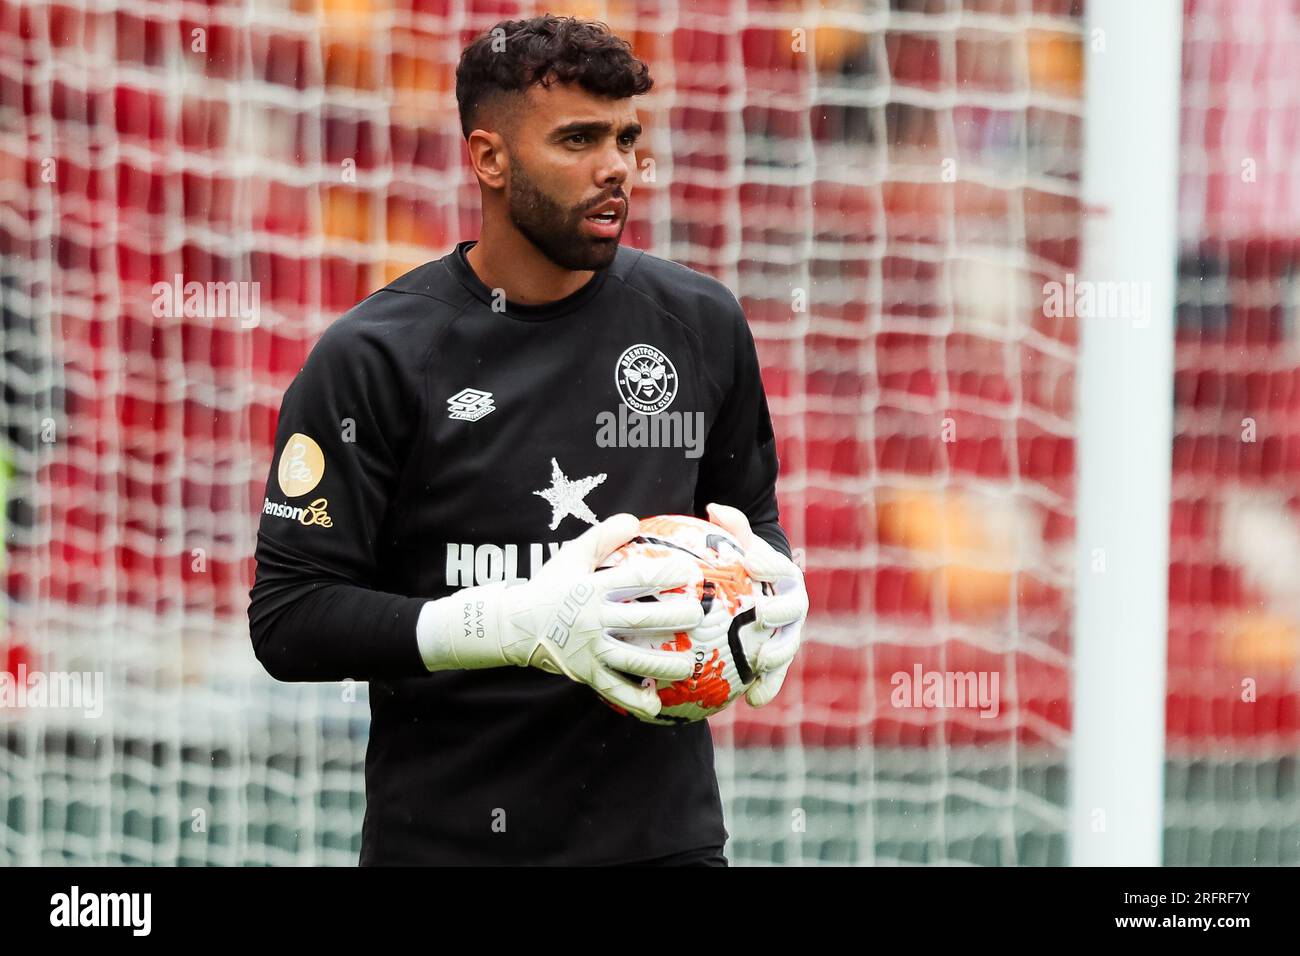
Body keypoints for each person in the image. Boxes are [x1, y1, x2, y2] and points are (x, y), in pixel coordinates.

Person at [249, 13, 808, 865]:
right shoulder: (376, 356)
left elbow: (750, 526)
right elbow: (290, 621)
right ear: (489, 159)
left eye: (626, 137)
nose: (616, 166)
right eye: (578, 139)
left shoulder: (700, 324)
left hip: (663, 847)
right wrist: (512, 623)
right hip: (443, 849)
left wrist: (776, 598)